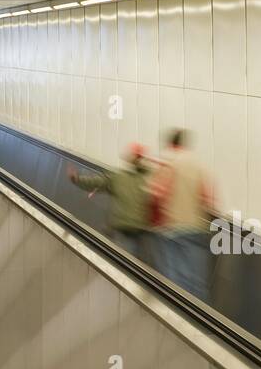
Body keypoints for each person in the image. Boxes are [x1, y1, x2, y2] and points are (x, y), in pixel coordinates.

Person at [147, 128, 218, 302]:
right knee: (197, 280)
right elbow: (209, 198)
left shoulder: (169, 163)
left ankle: (176, 315)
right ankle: (200, 320)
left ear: (171, 144)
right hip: (196, 228)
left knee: (174, 277)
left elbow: (157, 194)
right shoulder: (199, 165)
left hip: (172, 228)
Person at [67, 144, 152, 256]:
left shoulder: (120, 177)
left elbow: (96, 182)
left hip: (125, 228)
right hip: (141, 230)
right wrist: (77, 179)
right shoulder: (149, 177)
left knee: (124, 260)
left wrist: (76, 179)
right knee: (137, 262)